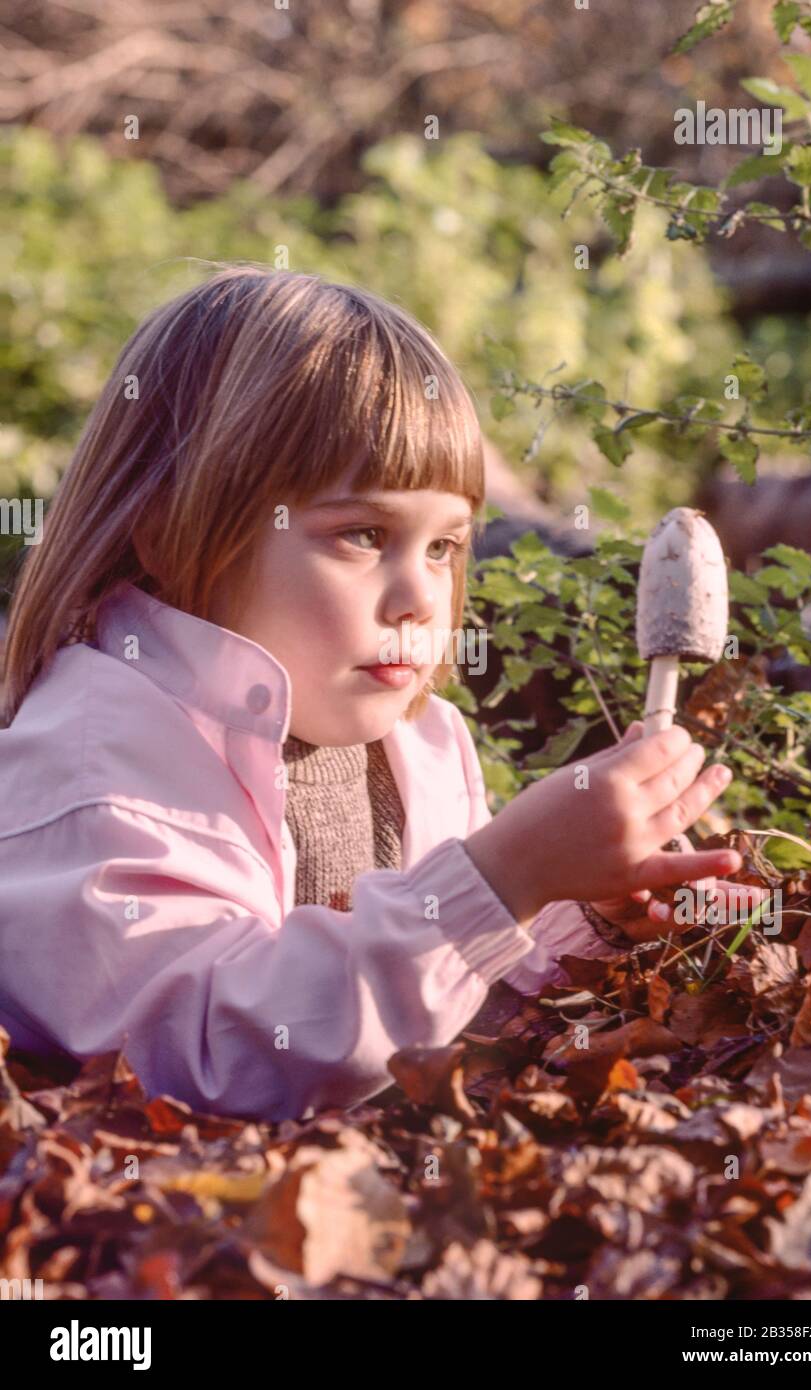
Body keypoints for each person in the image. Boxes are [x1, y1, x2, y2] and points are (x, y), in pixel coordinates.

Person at [0, 266, 745, 1122]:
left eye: (443, 547)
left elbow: (450, 984)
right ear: (171, 535)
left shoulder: (419, 742)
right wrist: (498, 879)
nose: (420, 598)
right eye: (363, 535)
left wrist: (579, 909)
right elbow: (209, 1059)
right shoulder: (101, 759)